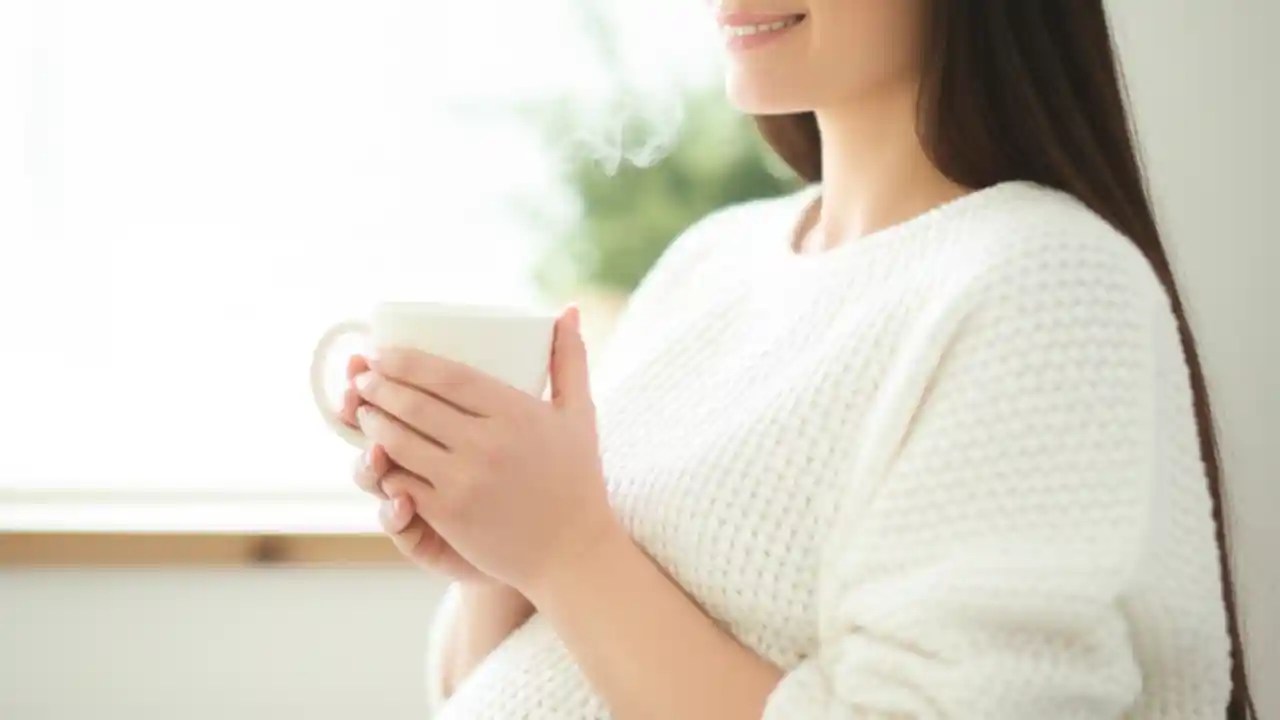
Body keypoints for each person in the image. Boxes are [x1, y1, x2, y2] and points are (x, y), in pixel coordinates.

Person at [338, 1, 1254, 717]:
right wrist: (501, 551)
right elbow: (494, 685)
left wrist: (567, 549)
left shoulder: (1046, 284)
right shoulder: (710, 263)